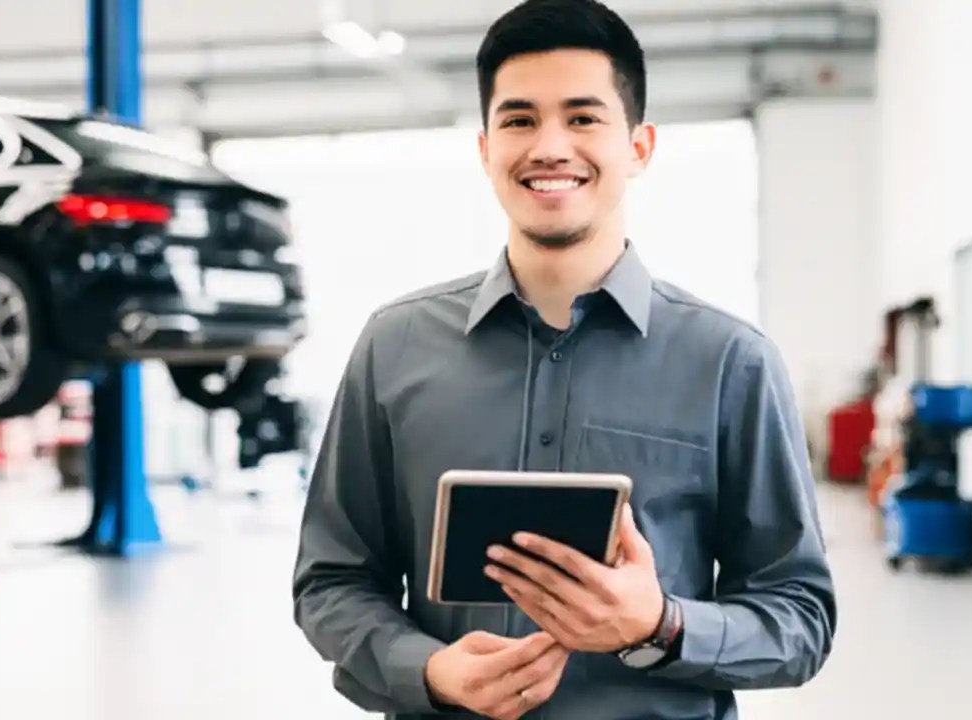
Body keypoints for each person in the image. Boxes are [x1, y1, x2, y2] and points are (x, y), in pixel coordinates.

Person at [291, 0, 837, 718]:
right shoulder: (394, 347)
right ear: (485, 149)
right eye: (519, 120)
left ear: (638, 147)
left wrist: (660, 625)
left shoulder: (730, 362)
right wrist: (428, 670)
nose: (550, 147)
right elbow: (330, 582)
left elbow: (799, 617)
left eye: (582, 118)